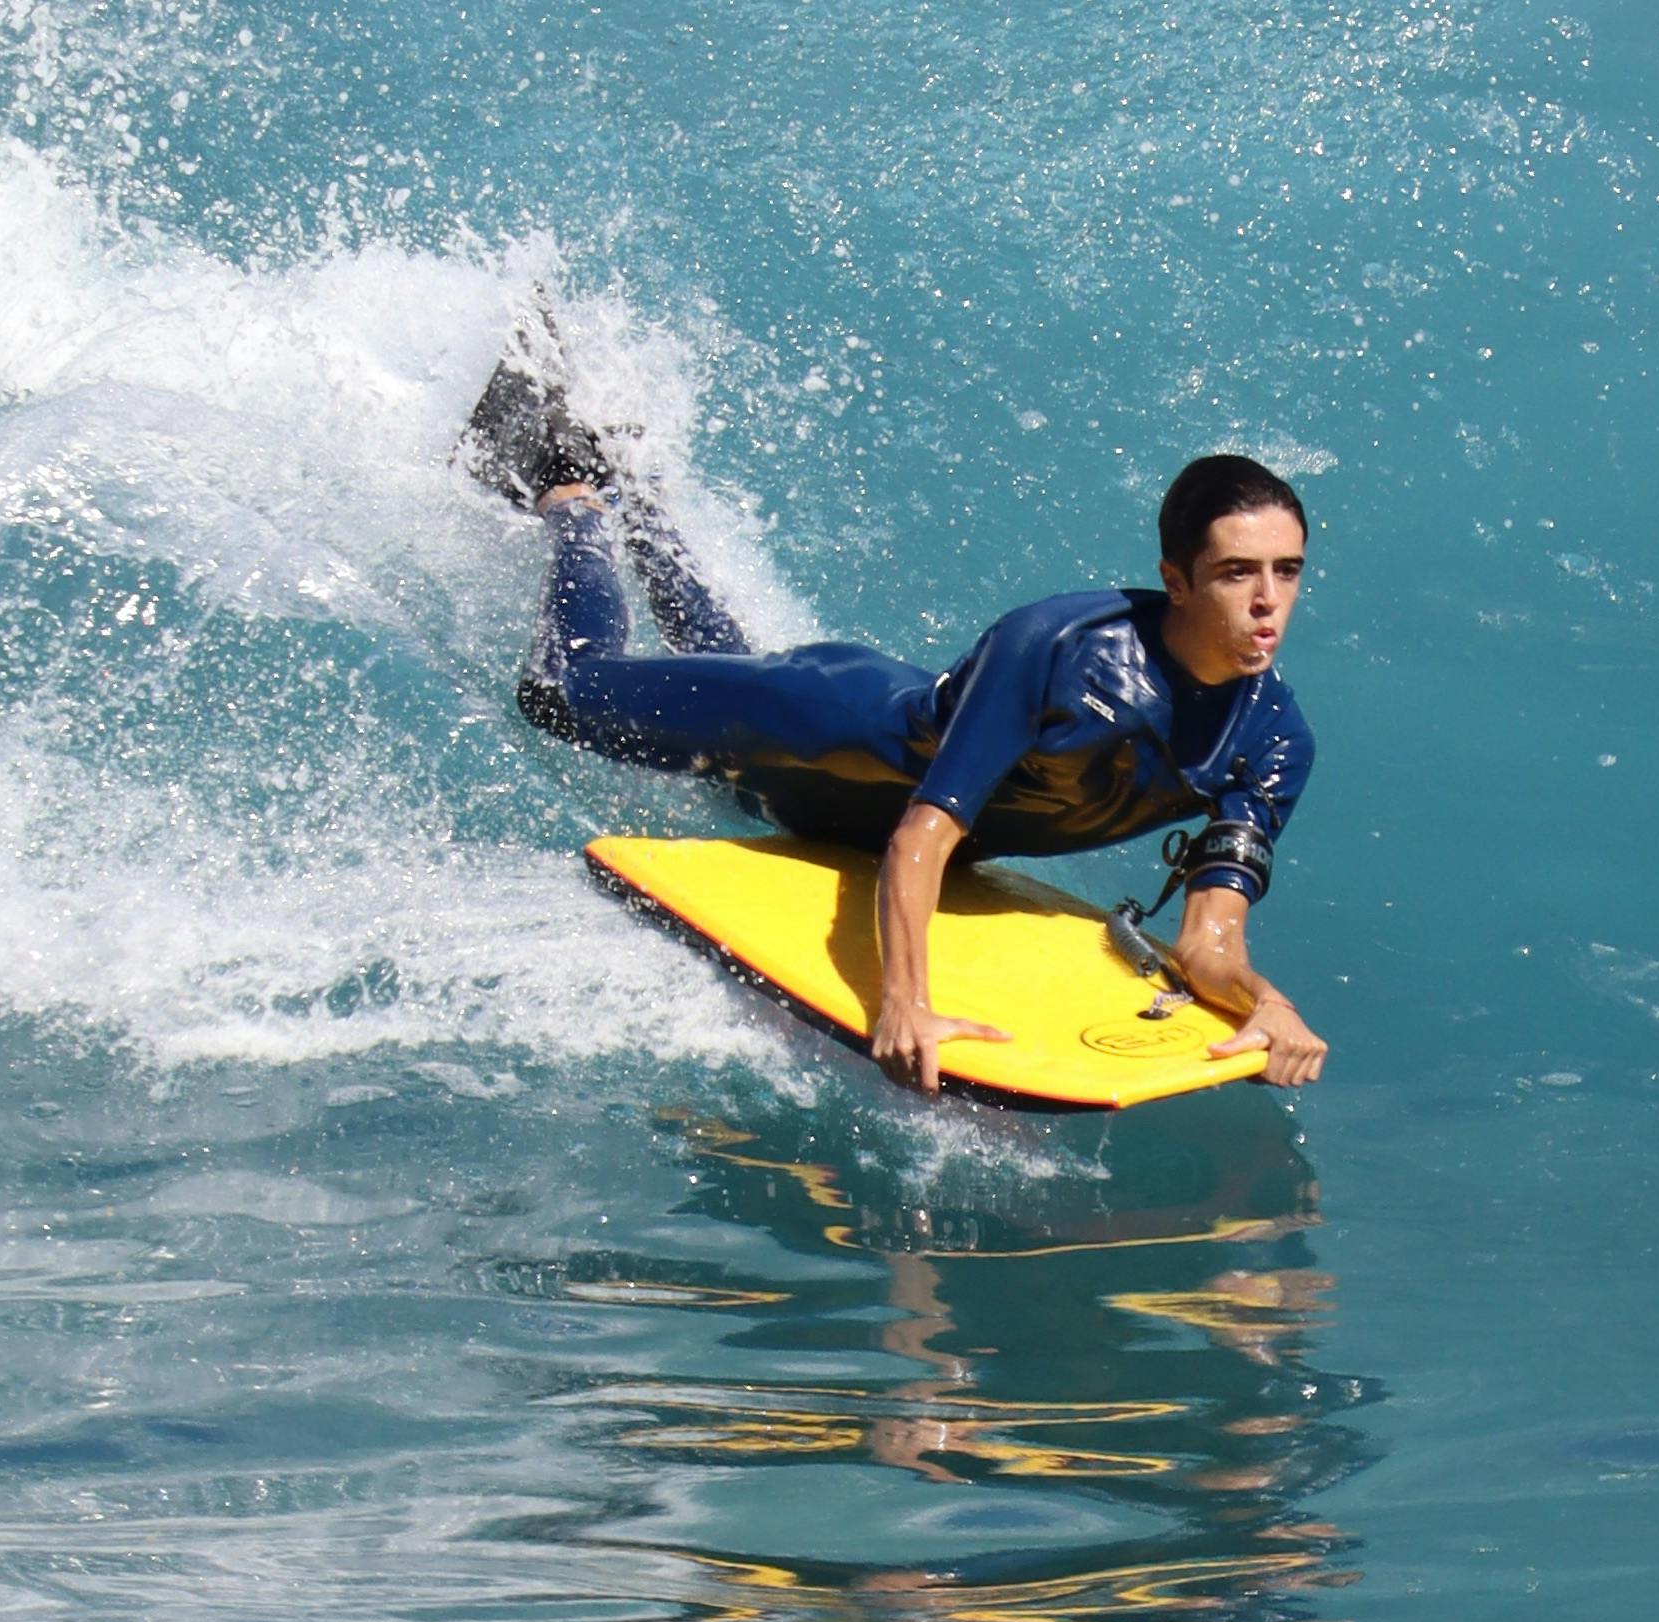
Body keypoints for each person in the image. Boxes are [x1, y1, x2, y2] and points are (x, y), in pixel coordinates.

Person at [461, 348, 1328, 1090]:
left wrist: (1268, 1004)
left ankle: (643, 492)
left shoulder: (1275, 743)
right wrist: (906, 1002)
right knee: (566, 693)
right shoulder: (1062, 648)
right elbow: (922, 835)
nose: (1267, 603)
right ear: (1176, 579)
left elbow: (1208, 946)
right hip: (812, 731)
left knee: (717, 650)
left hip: (840, 809)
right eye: (1236, 573)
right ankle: (573, 494)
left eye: (1286, 572)